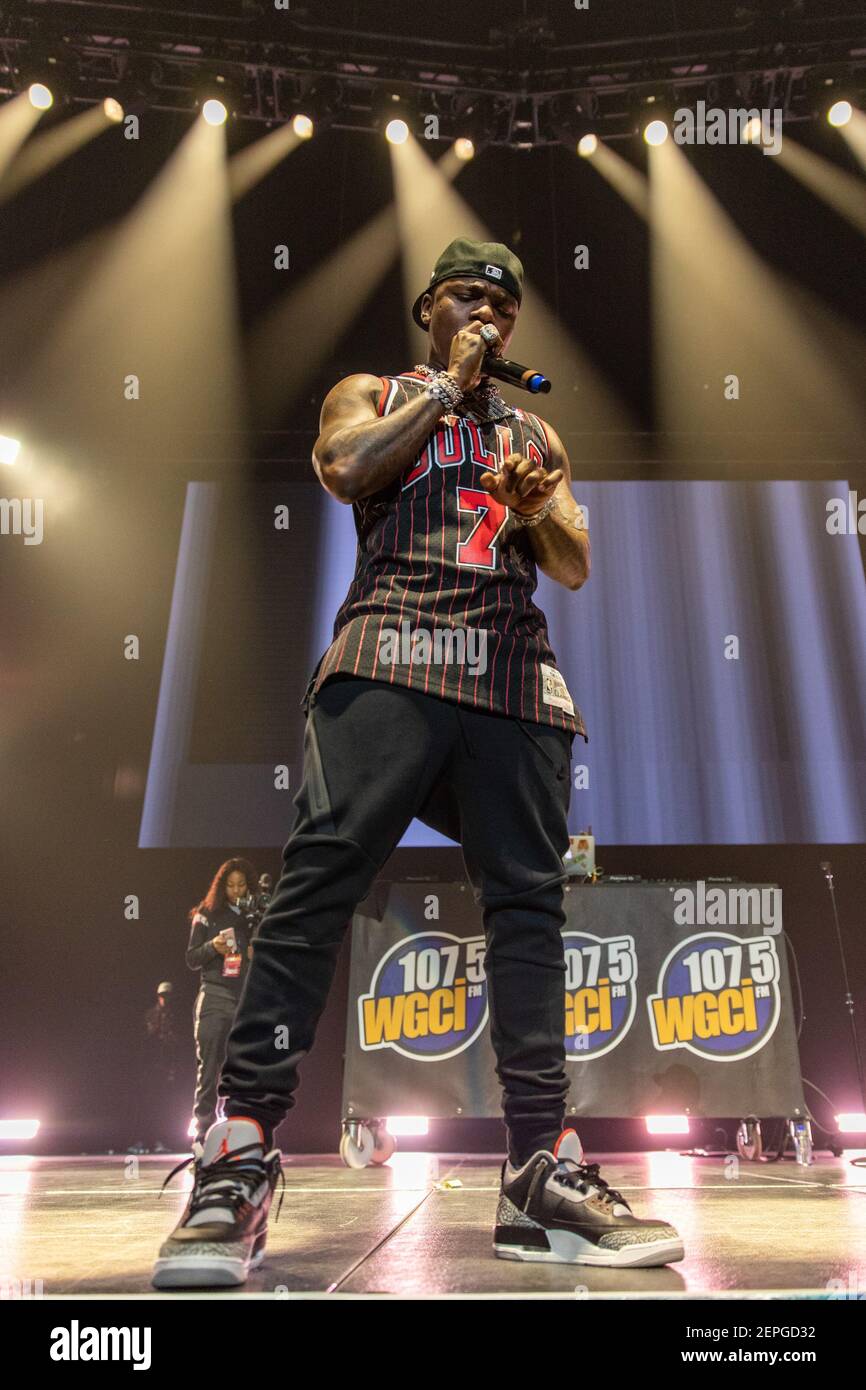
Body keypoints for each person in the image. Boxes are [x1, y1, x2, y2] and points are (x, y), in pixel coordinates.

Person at [152, 236, 683, 1288]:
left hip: (511, 674)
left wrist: (537, 510)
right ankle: (241, 1148)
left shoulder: (534, 428)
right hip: (390, 648)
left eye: (499, 300)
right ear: (428, 309)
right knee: (317, 883)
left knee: (529, 908)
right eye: (463, 294)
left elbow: (573, 562)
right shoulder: (375, 389)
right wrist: (445, 391)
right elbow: (346, 468)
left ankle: (538, 1168)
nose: (483, 308)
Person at [185, 858, 259, 1144]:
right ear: (221, 885)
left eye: (241, 885)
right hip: (214, 996)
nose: (236, 891)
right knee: (209, 1066)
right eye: (230, 885)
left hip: (245, 999)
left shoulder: (255, 915)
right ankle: (203, 1136)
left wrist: (257, 950)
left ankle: (237, 1133)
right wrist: (212, 946)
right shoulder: (206, 913)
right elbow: (191, 958)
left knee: (242, 1067)